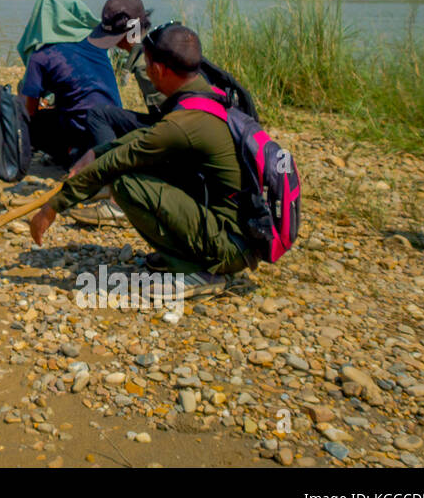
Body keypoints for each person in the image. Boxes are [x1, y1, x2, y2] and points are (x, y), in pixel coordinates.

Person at [29, 24, 259, 298]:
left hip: (230, 245)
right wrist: (97, 152)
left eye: (148, 64)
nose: (147, 71)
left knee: (124, 181)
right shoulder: (207, 96)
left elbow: (117, 162)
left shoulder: (183, 121)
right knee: (144, 167)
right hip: (236, 231)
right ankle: (189, 252)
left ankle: (198, 270)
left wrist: (52, 208)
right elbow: (142, 138)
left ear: (159, 70)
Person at [16, 0, 150, 169]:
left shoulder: (41, 56)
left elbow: (29, 110)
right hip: (113, 128)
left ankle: (71, 154)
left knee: (26, 111)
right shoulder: (98, 43)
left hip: (85, 135)